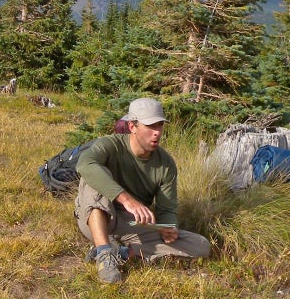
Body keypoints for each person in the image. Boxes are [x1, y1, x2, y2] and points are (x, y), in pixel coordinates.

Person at [74, 97, 211, 283]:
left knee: (201, 246)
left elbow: (167, 210)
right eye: (150, 126)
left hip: (133, 226)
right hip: (97, 217)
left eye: (160, 125)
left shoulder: (166, 164)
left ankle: (124, 252)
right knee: (96, 176)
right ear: (132, 127)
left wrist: (168, 227)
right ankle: (105, 255)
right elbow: (85, 164)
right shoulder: (111, 145)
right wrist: (126, 199)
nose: (157, 133)